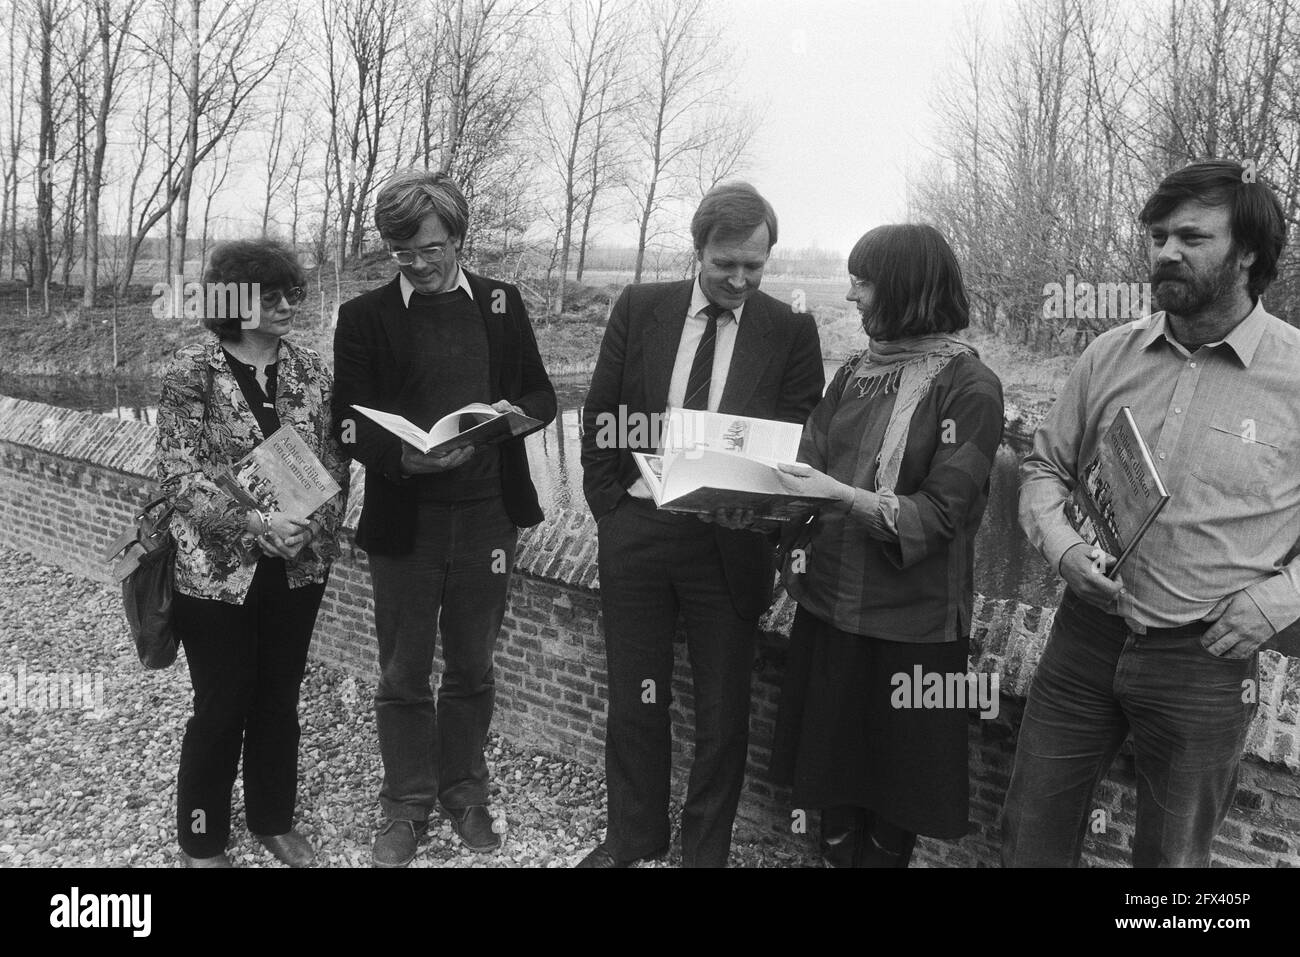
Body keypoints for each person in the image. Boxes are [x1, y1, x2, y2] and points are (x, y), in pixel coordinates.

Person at [1003, 159, 1298, 867]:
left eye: (1191, 237)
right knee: (1029, 841)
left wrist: (1281, 598)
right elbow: (1044, 468)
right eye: (1158, 234)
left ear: (1248, 252)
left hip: (1207, 660)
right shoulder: (1108, 354)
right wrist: (1064, 548)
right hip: (1083, 641)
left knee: (1172, 868)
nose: (1165, 251)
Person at [577, 181, 824, 867]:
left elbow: (803, 439)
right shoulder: (640, 306)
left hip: (729, 543)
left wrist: (764, 518)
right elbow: (601, 417)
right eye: (726, 265)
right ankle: (633, 836)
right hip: (640, 531)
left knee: (722, 717)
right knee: (635, 700)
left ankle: (702, 853)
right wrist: (611, 513)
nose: (740, 280)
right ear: (698, 250)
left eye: (755, 266)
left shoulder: (789, 329)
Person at [332, 169, 556, 867]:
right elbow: (344, 424)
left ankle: (464, 789)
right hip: (407, 522)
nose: (420, 264)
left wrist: (511, 421)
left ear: (460, 236)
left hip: (490, 516)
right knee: (403, 670)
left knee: (472, 664)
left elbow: (541, 395)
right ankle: (405, 801)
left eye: (432, 248)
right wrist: (403, 458)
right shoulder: (364, 316)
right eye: (403, 252)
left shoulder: (500, 303)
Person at [770, 224, 1005, 867]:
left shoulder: (971, 387)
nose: (851, 296)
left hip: (914, 629)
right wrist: (742, 496)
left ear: (903, 290)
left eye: (863, 281)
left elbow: (942, 514)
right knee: (833, 784)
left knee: (895, 796)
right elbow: (806, 465)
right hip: (833, 615)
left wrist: (841, 496)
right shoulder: (852, 373)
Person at [157, 239, 349, 868]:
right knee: (220, 705)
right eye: (272, 296)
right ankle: (202, 836)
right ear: (234, 300)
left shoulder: (312, 372)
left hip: (296, 566)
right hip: (216, 573)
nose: (289, 304)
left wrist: (302, 529)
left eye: (293, 292)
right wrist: (253, 523)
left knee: (279, 698)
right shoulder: (192, 372)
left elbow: (332, 467)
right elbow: (179, 476)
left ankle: (273, 819)